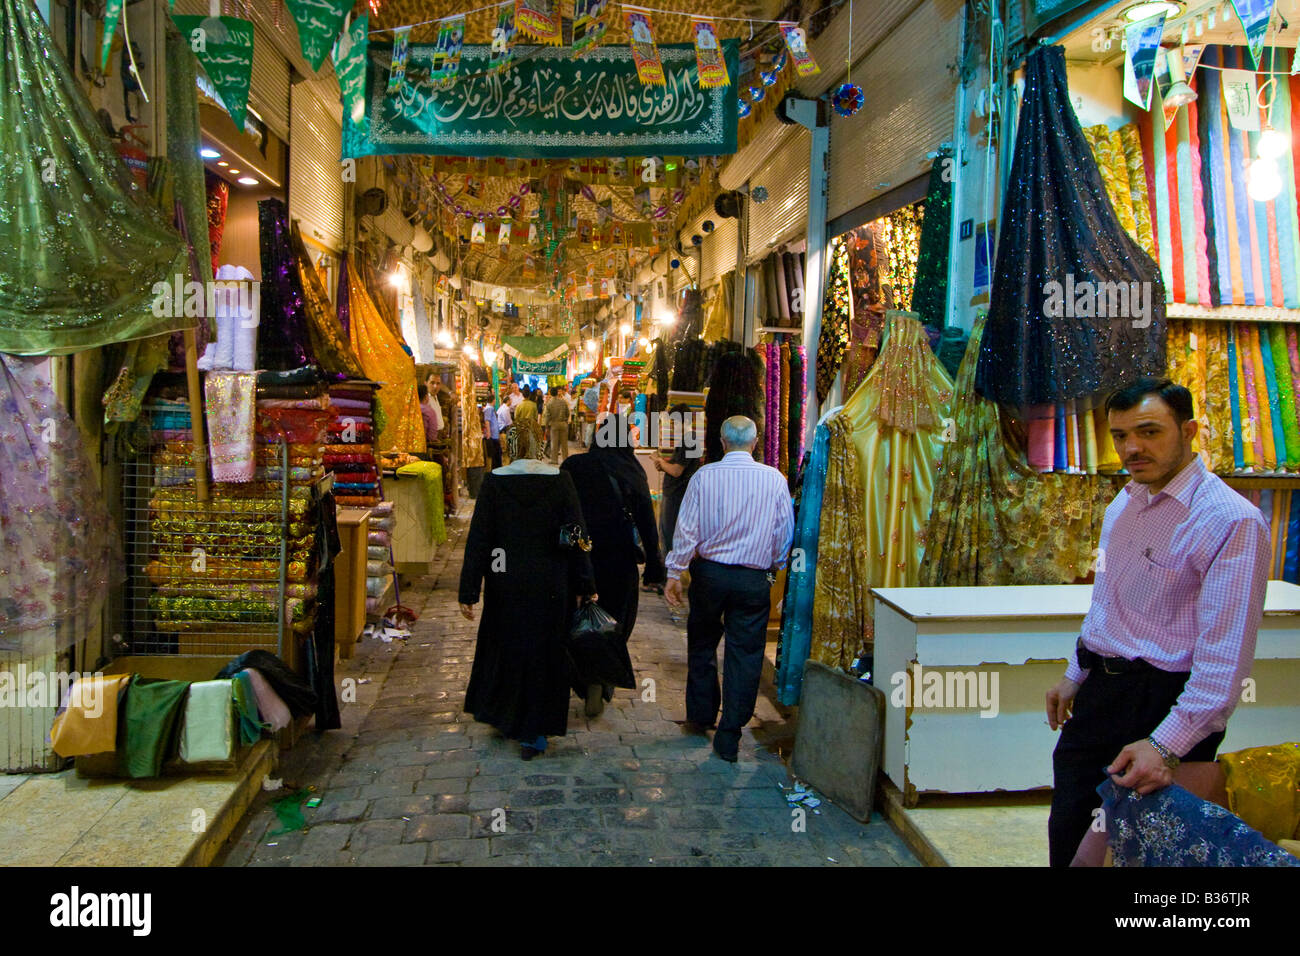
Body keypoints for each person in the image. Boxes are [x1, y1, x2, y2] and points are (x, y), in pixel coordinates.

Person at [1045, 378, 1270, 867]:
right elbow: (1106, 602)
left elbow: (1224, 661)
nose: (1132, 448)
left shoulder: (1231, 522)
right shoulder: (1124, 504)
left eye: (1149, 432)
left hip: (1165, 703)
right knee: (1073, 827)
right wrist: (1076, 671)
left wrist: (1165, 745)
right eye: (1121, 435)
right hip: (1101, 696)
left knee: (1147, 853)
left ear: (1188, 431)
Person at [459, 421, 598, 760]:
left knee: (508, 647)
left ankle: (508, 716)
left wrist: (469, 590)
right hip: (552, 582)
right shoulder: (560, 480)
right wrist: (586, 583)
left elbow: (480, 539)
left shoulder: (495, 483)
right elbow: (576, 534)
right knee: (545, 653)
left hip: (504, 579)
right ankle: (535, 730)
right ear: (541, 444)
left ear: (512, 445)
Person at [664, 416, 795, 762]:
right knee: (745, 654)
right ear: (755, 443)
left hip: (709, 576)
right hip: (753, 579)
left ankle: (702, 713)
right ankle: (730, 732)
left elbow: (687, 530)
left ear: (721, 442)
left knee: (703, 643)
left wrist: (675, 572)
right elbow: (784, 534)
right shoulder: (775, 480)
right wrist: (774, 567)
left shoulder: (704, 477)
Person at [562, 411, 665, 716]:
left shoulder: (573, 466)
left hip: (579, 559)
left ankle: (585, 677)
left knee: (577, 619)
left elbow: (560, 513)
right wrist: (655, 568)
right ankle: (601, 677)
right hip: (618, 562)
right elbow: (647, 523)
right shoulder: (632, 472)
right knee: (615, 621)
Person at [652, 402, 703, 556]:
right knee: (667, 533)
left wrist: (660, 461)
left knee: (669, 534)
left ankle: (670, 575)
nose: (671, 426)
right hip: (675, 492)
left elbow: (676, 471)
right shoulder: (687, 439)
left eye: (673, 422)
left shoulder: (689, 440)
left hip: (677, 494)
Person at [542, 386, 571, 463]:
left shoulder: (549, 403)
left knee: (554, 443)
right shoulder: (563, 401)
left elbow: (548, 417)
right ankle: (565, 459)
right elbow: (567, 413)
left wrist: (546, 427)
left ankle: (554, 460)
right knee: (564, 443)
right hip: (563, 424)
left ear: (551, 394)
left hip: (554, 424)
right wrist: (565, 420)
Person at [418, 383, 443, 452]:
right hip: (425, 446)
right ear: (426, 397)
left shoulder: (409, 409)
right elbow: (432, 436)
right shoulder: (429, 411)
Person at [482, 400, 502, 470]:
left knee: (496, 452)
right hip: (493, 435)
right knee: (495, 453)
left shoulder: (490, 409)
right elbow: (487, 421)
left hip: (494, 434)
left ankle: (497, 468)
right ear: (493, 401)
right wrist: (489, 432)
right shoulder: (489, 409)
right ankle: (495, 468)